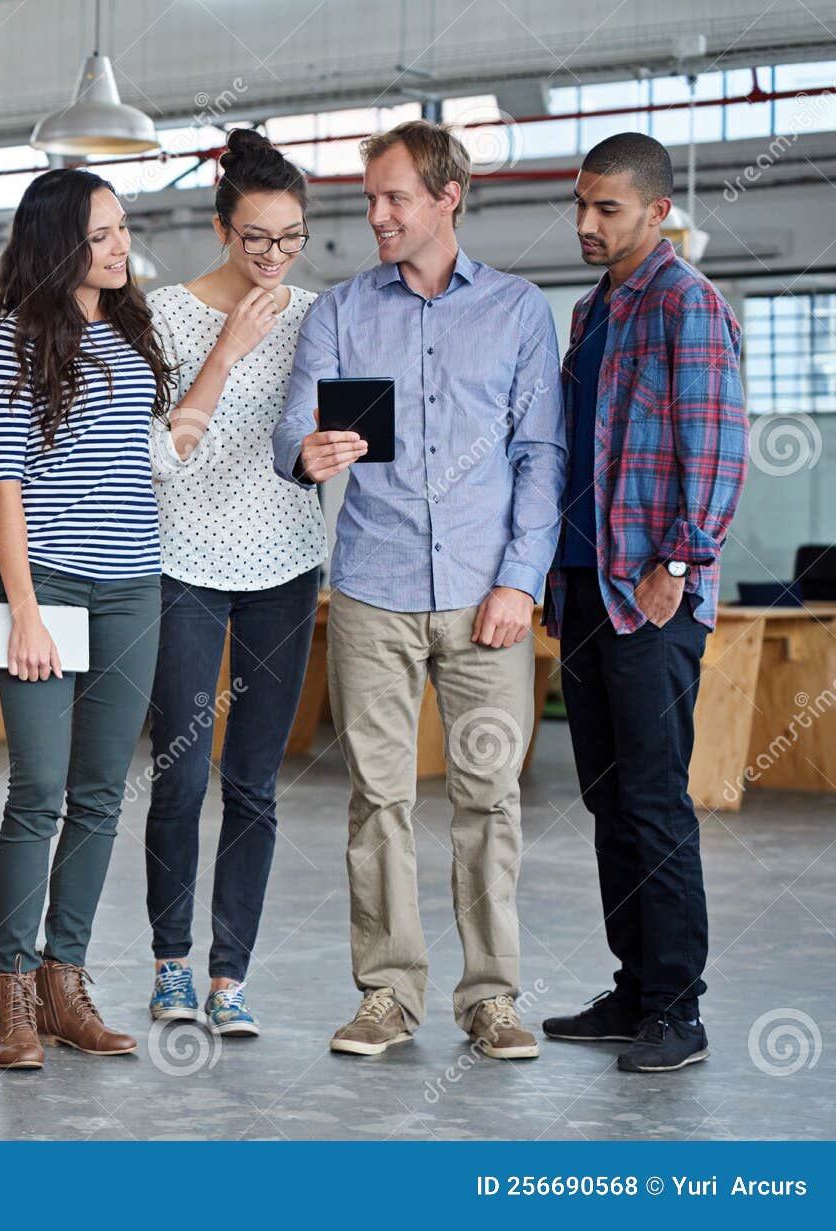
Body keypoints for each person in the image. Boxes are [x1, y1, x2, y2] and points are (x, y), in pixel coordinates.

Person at [273, 119, 566, 1061]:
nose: (376, 215)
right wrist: (304, 452)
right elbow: (292, 426)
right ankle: (387, 995)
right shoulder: (342, 310)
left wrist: (521, 583)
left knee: (488, 799)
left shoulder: (519, 311)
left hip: (488, 598)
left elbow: (541, 460)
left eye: (395, 197)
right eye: (368, 198)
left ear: (449, 197)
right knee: (379, 798)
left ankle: (492, 998)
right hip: (373, 590)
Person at [540, 133, 747, 1074]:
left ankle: (678, 1007)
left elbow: (715, 445)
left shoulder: (685, 305)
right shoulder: (591, 313)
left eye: (607, 208)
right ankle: (634, 989)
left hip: (649, 593)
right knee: (607, 796)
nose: (587, 223)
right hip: (585, 587)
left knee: (656, 800)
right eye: (581, 205)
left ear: (657, 211)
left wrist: (678, 558)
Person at [0, 167, 174, 1071]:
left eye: (123, 229)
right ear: (62, 243)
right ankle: (13, 995)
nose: (120, 246)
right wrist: (23, 610)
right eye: (102, 234)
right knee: (38, 795)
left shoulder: (133, 334)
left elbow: (160, 453)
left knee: (100, 798)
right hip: (47, 586)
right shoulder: (10, 341)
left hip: (135, 586)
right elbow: (4, 481)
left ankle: (67, 984)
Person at [142, 128, 328, 1038]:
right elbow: (159, 460)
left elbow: (328, 438)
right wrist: (227, 344)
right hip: (182, 561)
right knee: (178, 775)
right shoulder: (163, 314)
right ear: (223, 228)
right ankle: (170, 964)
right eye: (257, 237)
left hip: (286, 564)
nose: (275, 257)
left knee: (254, 779)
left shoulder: (317, 313)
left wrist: (335, 452)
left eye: (291, 238)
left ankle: (229, 976)